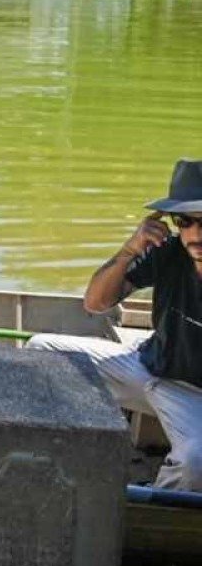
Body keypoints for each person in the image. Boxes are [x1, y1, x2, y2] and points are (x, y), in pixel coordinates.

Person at [29, 159, 202, 490]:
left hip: (194, 396)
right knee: (41, 351)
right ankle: (47, 462)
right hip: (147, 365)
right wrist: (128, 250)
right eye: (186, 221)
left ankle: (153, 516)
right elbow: (95, 303)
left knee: (196, 463)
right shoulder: (166, 252)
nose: (196, 233)